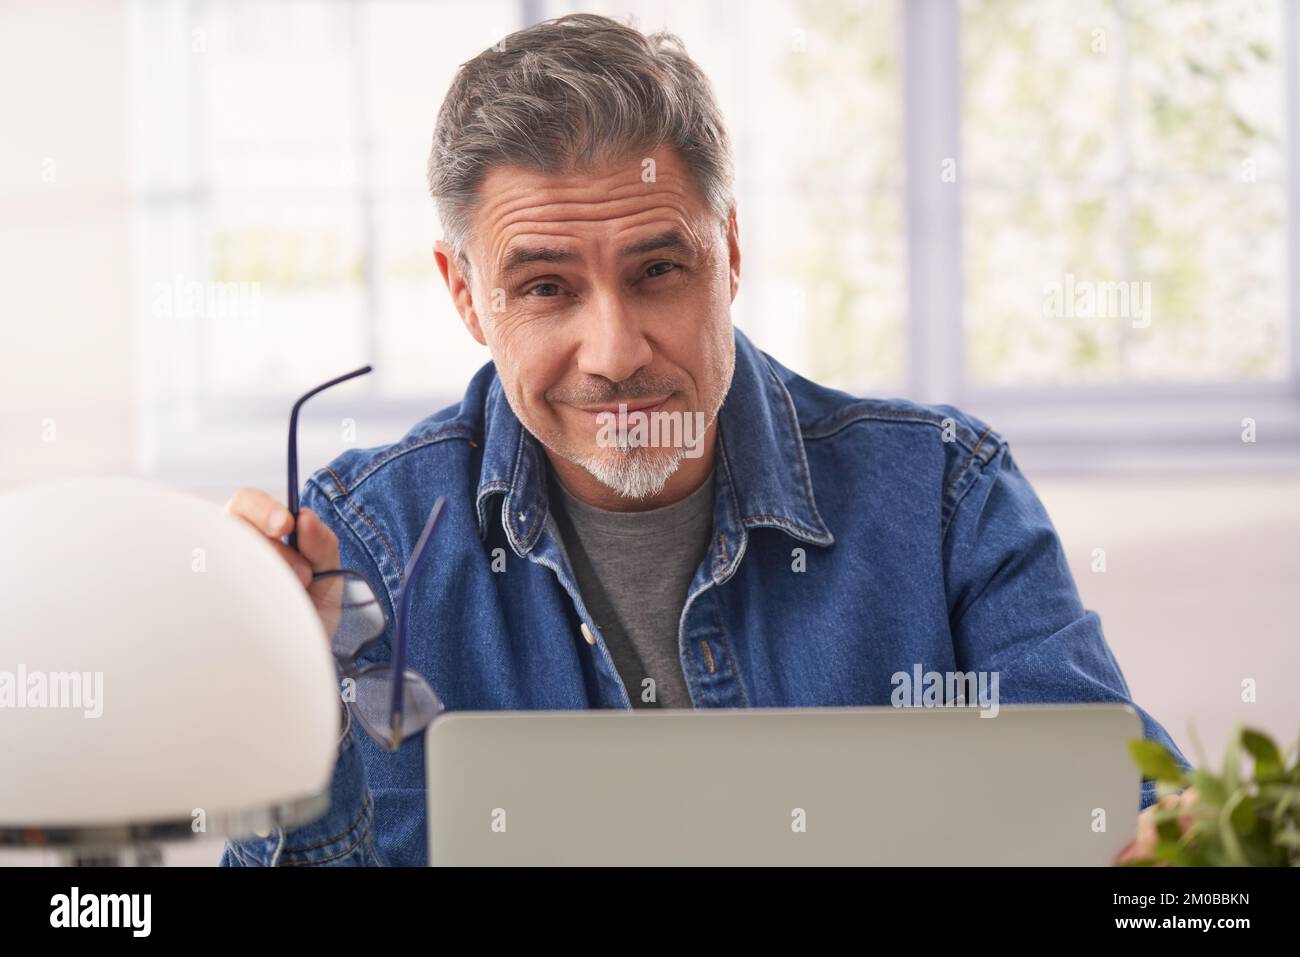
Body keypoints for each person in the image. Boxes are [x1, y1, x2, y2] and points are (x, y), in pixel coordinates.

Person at [221, 13, 1186, 867]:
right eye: (547, 287)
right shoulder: (360, 555)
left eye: (657, 269)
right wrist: (281, 709)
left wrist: (1176, 851)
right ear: (467, 293)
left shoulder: (944, 496)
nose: (616, 352)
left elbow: (1122, 812)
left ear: (730, 252)